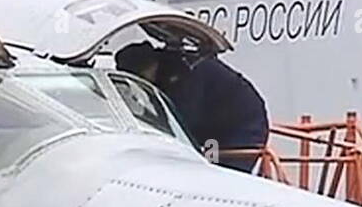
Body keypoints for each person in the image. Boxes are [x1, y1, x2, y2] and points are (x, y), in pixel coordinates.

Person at [115, 42, 270, 173]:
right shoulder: (166, 72)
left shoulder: (185, 73)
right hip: (212, 131)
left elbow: (183, 123)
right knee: (209, 170)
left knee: (225, 178)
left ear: (150, 65)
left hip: (242, 125)